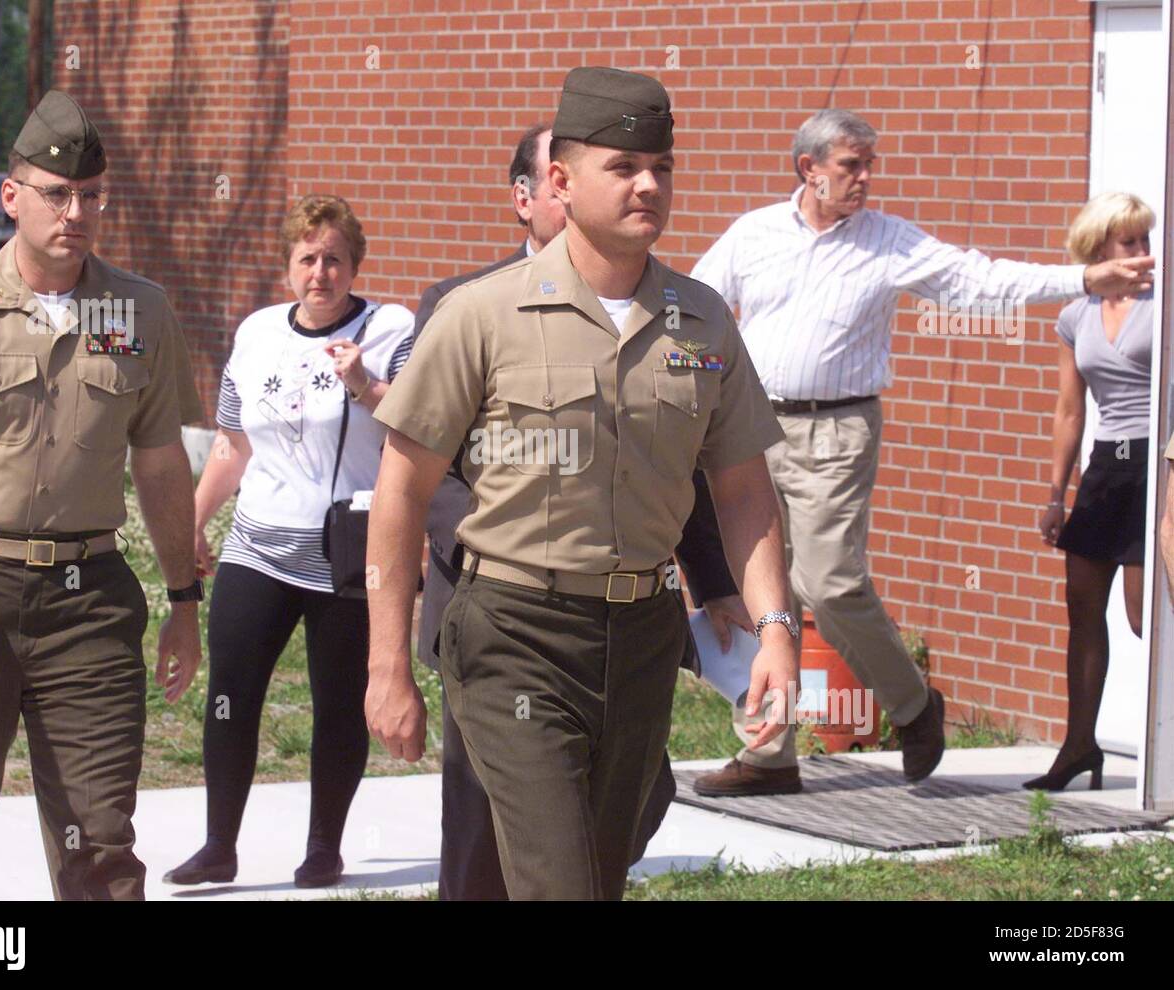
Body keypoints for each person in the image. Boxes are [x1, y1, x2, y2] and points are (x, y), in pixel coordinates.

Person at [365, 66, 799, 901]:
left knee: (598, 874)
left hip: (640, 636)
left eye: (662, 167)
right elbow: (402, 490)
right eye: (624, 167)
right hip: (515, 634)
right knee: (561, 881)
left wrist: (776, 628)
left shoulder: (703, 321)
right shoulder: (479, 315)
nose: (649, 185)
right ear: (559, 180)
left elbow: (744, 490)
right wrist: (388, 665)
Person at [689, 108, 1156, 795]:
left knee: (829, 583)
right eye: (852, 165)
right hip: (753, 432)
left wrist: (1082, 281)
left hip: (837, 433)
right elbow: (699, 309)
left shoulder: (889, 241)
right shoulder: (752, 234)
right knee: (770, 596)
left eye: (870, 164)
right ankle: (768, 755)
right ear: (808, 170)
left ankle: (912, 705)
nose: (866, 178)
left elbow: (980, 280)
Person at [0, 90, 205, 900]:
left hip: (88, 601)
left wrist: (185, 600)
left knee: (101, 836)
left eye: (91, 195)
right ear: (11, 197)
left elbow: (161, 467)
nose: (76, 211)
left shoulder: (139, 313)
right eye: (57, 194)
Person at [163, 195, 414, 888]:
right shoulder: (257, 333)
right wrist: (192, 521)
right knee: (231, 694)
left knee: (338, 704)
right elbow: (231, 444)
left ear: (355, 265)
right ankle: (219, 844)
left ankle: (324, 847)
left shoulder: (390, 328)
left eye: (335, 259)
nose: (321, 273)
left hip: (345, 554)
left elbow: (419, 424)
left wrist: (363, 382)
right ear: (288, 268)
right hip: (258, 546)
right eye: (307, 258)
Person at [1031, 193, 1156, 791]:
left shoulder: (1164, 305)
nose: (1141, 253)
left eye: (1144, 241)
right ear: (1099, 247)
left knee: (1145, 616)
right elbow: (1068, 411)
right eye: (1128, 242)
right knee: (1082, 608)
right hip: (1105, 470)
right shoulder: (1076, 315)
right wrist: (1057, 494)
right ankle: (1079, 746)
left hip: (1157, 468)